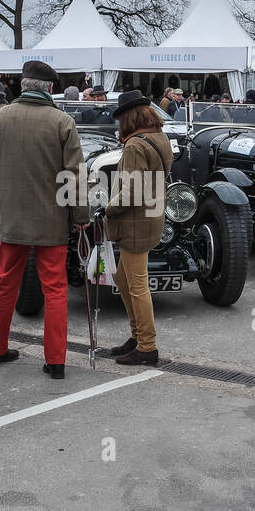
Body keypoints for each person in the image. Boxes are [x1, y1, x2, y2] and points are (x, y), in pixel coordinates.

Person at [0, 60, 88, 379]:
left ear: (23, 86)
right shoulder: (62, 122)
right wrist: (80, 216)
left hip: (11, 218)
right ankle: (56, 361)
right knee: (55, 290)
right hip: (51, 221)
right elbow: (75, 176)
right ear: (49, 88)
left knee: (6, 284)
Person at [104, 90, 174, 366]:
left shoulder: (135, 145)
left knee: (136, 286)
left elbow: (131, 192)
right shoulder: (159, 137)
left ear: (129, 117)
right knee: (124, 280)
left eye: (122, 118)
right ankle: (137, 337)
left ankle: (146, 346)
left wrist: (108, 209)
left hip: (135, 221)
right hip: (151, 215)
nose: (120, 124)